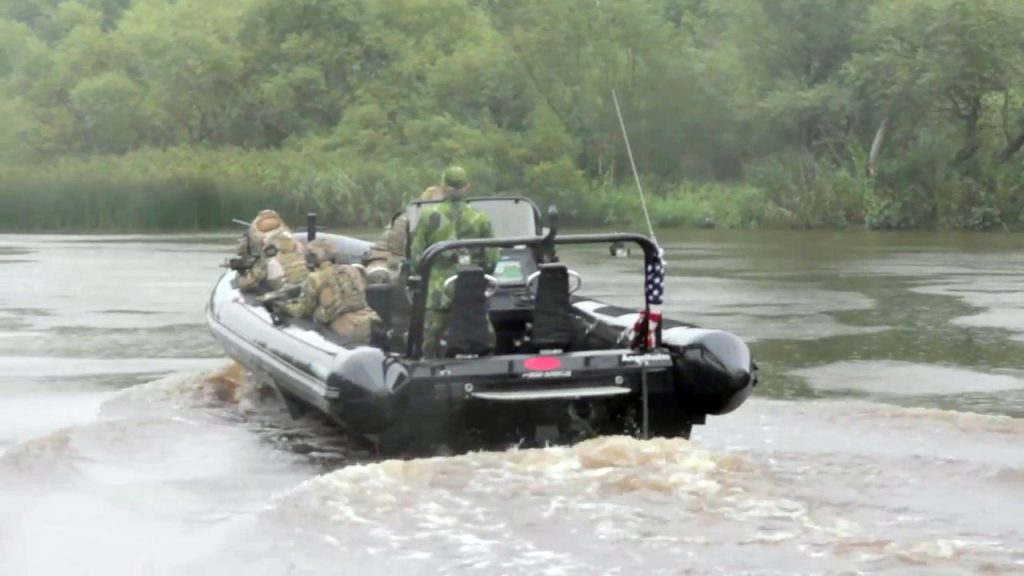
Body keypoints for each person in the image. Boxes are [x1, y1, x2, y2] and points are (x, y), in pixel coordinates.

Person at [408, 166, 498, 356]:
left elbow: (417, 258)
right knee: (486, 340)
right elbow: (491, 260)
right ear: (467, 187)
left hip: (437, 294)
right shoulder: (481, 219)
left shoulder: (428, 216)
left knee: (428, 345)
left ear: (443, 186)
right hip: (470, 292)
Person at [362, 169, 463, 285]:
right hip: (409, 268)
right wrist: (380, 269)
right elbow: (384, 250)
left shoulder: (463, 220)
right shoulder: (405, 221)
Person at [275, 238, 382, 344]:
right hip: (371, 320)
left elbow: (303, 311)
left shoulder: (316, 278)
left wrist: (283, 306)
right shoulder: (353, 270)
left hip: (347, 330)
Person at [235, 212, 309, 295]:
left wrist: (239, 277)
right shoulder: (301, 254)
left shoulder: (267, 263)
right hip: (302, 293)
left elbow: (246, 284)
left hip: (285, 300)